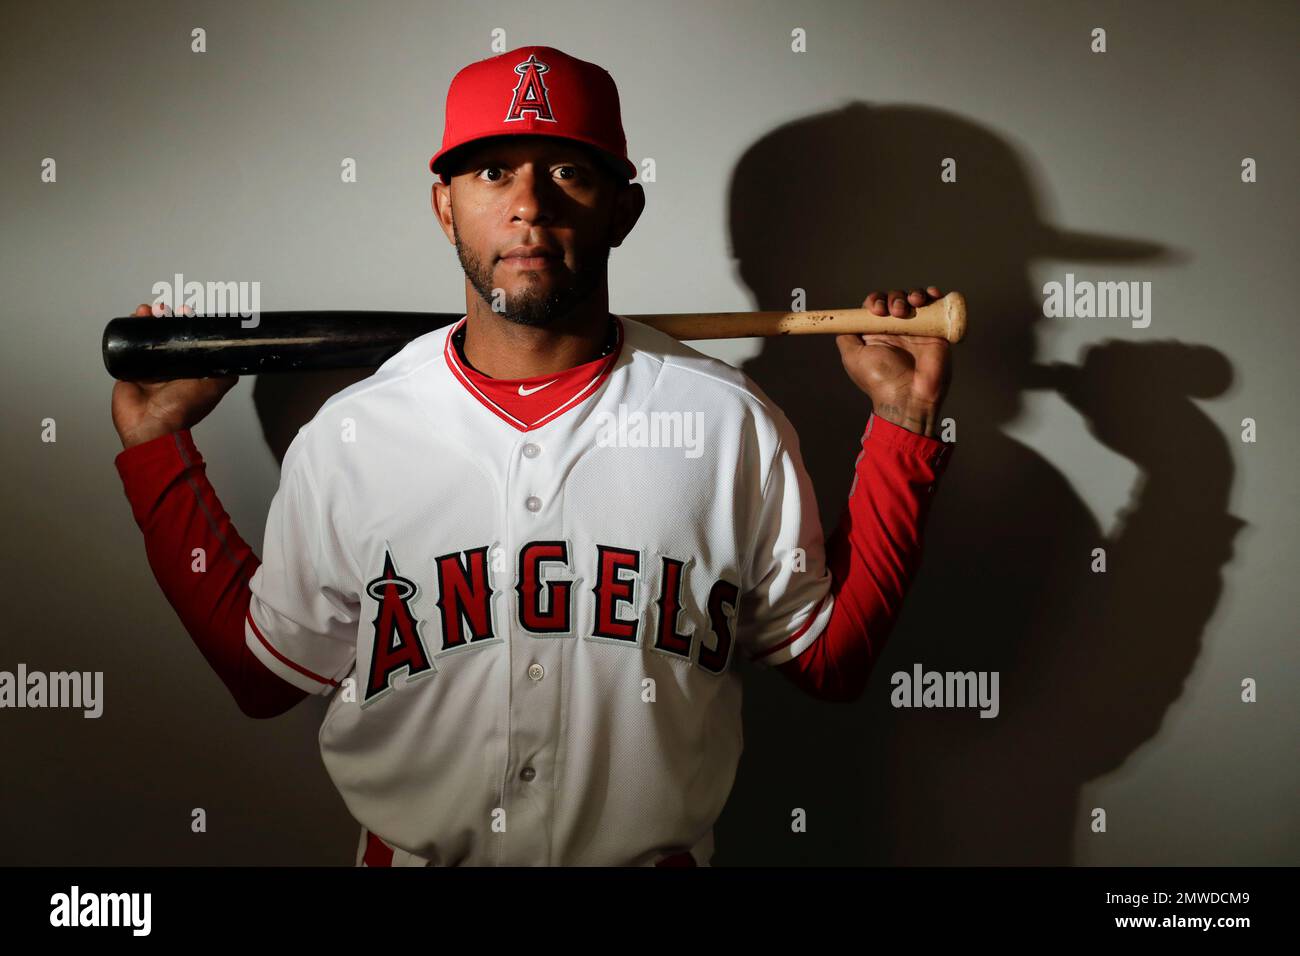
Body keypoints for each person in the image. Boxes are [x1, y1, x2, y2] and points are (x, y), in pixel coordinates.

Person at [111, 45, 954, 866]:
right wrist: (157, 449)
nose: (528, 206)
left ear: (623, 210)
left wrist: (904, 420)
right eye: (491, 173)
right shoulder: (351, 433)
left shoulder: (728, 423)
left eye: (568, 172)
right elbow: (265, 676)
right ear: (445, 207)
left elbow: (829, 663)